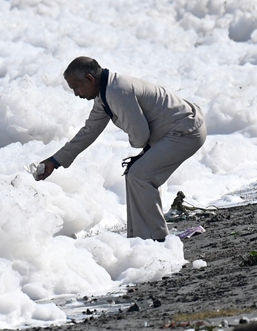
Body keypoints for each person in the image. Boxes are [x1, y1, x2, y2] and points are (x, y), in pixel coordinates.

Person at [37, 57, 206, 241]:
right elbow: (88, 132)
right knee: (135, 174)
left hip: (186, 130)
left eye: (76, 87)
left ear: (90, 79)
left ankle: (156, 240)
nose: (76, 94)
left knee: (140, 175)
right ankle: (140, 238)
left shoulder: (117, 91)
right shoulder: (105, 94)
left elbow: (140, 135)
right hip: (176, 131)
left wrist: (143, 151)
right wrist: (54, 161)